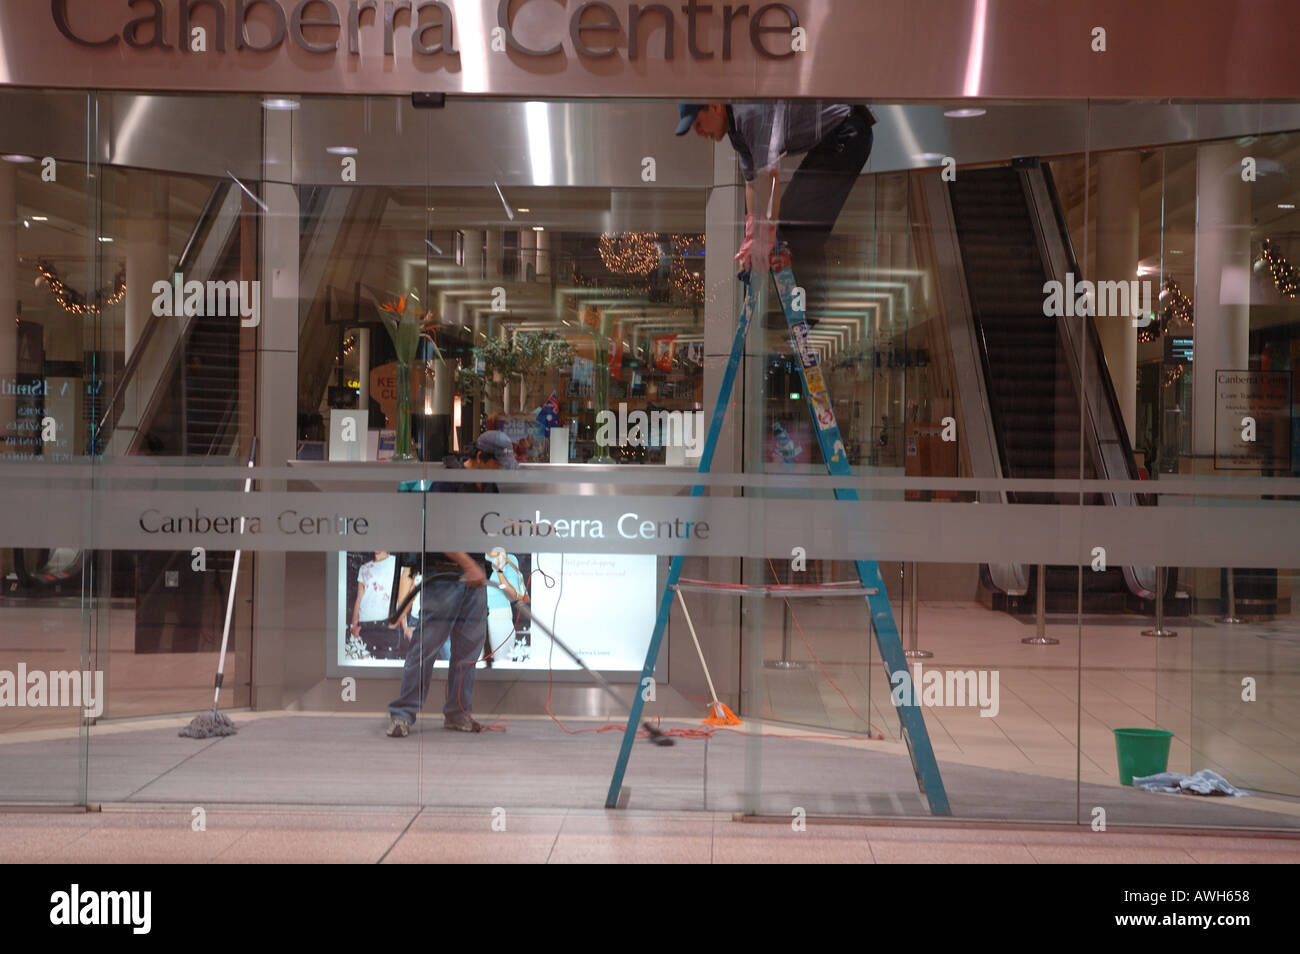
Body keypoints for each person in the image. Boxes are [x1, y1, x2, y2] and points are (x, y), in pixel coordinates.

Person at [675, 101, 875, 325]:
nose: (700, 133)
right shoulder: (737, 132)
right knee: (788, 224)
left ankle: (810, 309)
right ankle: (803, 307)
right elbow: (752, 184)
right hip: (832, 139)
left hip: (847, 135)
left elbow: (769, 177)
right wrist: (752, 239)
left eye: (699, 124)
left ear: (715, 107)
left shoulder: (750, 116)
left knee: (795, 225)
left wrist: (767, 237)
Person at [385, 430, 518, 737]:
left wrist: (524, 528)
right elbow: (436, 531)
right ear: (481, 458)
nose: (502, 470)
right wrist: (468, 564)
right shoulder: (449, 481)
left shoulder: (489, 485)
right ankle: (402, 714)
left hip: (474, 581)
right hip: (444, 577)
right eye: (498, 463)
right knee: (426, 648)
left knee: (468, 651)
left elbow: (490, 523)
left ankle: (457, 713)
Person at [349, 551, 400, 659]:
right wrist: (354, 625)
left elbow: (404, 594)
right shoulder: (364, 568)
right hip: (365, 625)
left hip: (387, 624)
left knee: (387, 668)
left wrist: (398, 621)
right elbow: (359, 597)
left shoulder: (396, 562)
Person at [484, 547, 527, 664]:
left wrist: (499, 572)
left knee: (502, 665)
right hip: (472, 618)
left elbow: (513, 597)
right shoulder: (474, 556)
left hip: (500, 618)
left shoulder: (509, 558)